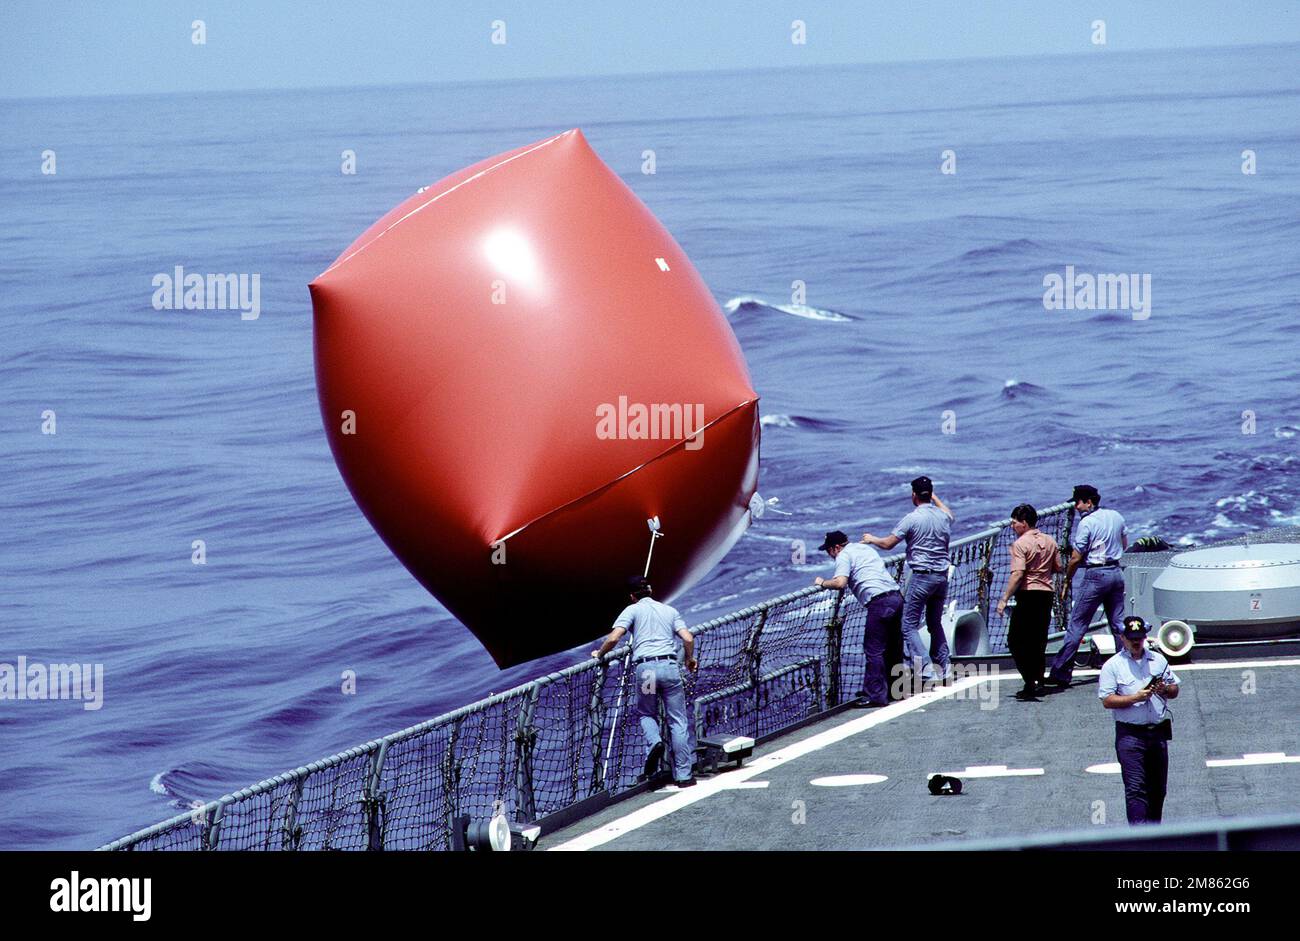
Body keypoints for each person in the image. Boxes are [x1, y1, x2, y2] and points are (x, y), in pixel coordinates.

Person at [591, 576, 698, 787]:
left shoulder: (632, 610)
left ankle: (655, 742)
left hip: (648, 671)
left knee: (647, 713)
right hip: (669, 669)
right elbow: (688, 638)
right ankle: (684, 776)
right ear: (650, 590)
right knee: (677, 721)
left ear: (632, 596)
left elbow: (613, 638)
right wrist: (689, 659)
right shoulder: (669, 611)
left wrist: (599, 654)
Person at [862, 475, 953, 682]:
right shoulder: (943, 517)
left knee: (908, 625)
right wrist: (933, 496)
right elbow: (949, 513)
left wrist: (871, 539)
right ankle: (946, 668)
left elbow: (887, 544)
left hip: (922, 577)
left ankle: (927, 671)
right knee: (934, 623)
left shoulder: (912, 518)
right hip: (941, 578)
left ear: (913, 495)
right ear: (930, 494)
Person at [1098, 616, 1181, 824]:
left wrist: (1164, 689)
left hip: (1158, 733)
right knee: (1136, 789)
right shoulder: (1113, 666)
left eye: (1140, 637)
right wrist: (1135, 698)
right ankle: (1140, 839)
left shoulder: (1158, 660)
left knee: (1158, 789)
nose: (1136, 642)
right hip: (1131, 736)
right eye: (1131, 638)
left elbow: (1174, 689)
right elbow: (1107, 700)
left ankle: (1154, 834)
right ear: (1122, 638)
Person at [1045, 484, 1128, 688]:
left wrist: (1066, 581)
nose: (1076, 507)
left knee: (1077, 625)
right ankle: (1125, 667)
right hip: (1116, 572)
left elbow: (1075, 557)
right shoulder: (1116, 516)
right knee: (1118, 624)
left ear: (1088, 502)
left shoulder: (1087, 523)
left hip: (1096, 575)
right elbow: (1124, 543)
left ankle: (1060, 673)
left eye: (1078, 503)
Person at [813, 530, 905, 706]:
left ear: (836, 548)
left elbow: (840, 583)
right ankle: (897, 691)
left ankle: (876, 696)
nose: (830, 555)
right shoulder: (866, 549)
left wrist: (822, 583)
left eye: (828, 551)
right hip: (896, 597)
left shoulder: (843, 556)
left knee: (874, 650)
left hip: (879, 602)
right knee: (894, 647)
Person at [996, 504, 1063, 700]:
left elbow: (1017, 574)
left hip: (1028, 595)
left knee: (1016, 641)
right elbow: (1058, 567)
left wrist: (1004, 599)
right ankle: (1039, 680)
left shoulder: (1019, 544)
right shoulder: (1050, 540)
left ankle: (1030, 680)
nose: (1012, 526)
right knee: (1038, 640)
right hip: (1046, 594)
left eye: (1014, 522)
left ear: (1024, 523)